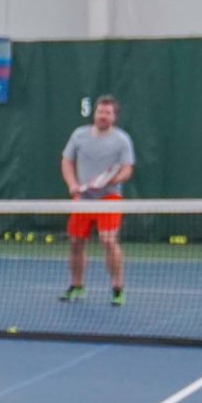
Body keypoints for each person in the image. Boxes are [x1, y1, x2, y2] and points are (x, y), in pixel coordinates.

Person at [60, 95, 136, 306]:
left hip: (109, 197)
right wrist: (72, 185)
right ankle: (76, 286)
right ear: (95, 114)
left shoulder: (122, 140)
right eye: (100, 112)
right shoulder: (79, 135)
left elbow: (127, 169)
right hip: (83, 198)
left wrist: (110, 180)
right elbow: (67, 161)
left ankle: (117, 288)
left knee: (108, 240)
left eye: (108, 113)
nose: (103, 116)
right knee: (75, 242)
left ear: (114, 117)